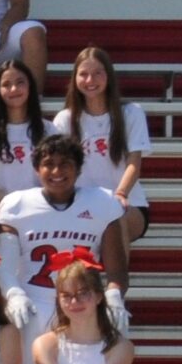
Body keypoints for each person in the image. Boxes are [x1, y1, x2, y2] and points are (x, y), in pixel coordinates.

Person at [0, 135, 130, 338]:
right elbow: (4, 267)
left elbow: (117, 271)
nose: (57, 171)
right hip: (32, 303)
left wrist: (113, 295)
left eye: (65, 164)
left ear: (78, 169)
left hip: (82, 304)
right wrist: (14, 294)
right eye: (48, 164)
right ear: (37, 169)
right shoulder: (16, 205)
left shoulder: (103, 203)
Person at [57, 46, 151, 242]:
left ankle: (118, 274)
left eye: (98, 73)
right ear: (75, 78)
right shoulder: (65, 119)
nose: (90, 81)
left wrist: (120, 194)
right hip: (81, 204)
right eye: (84, 74)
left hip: (128, 203)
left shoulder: (131, 113)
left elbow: (134, 162)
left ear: (108, 76)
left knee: (116, 219)